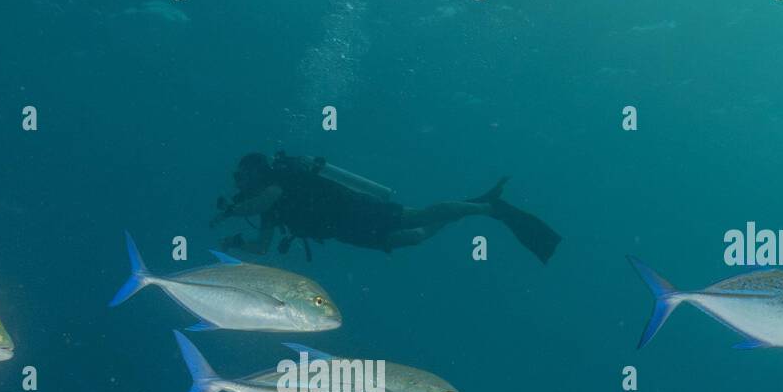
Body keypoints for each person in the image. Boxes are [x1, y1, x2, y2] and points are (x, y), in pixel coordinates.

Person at [209, 151, 561, 264]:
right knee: (414, 237)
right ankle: (473, 205)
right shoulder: (266, 208)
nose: (238, 183)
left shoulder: (276, 183)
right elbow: (263, 246)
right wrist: (236, 245)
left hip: (349, 210)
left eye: (241, 176)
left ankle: (488, 209)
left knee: (416, 215)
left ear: (255, 171)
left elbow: (261, 200)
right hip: (342, 230)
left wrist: (231, 211)